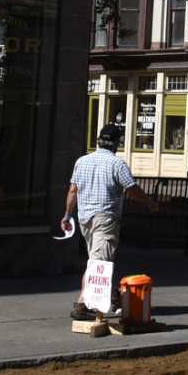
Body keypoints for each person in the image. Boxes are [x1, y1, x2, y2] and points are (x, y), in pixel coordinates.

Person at [64, 123, 158, 322]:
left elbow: (73, 191)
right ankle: (82, 304)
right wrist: (149, 203)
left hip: (85, 219)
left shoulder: (82, 161)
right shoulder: (117, 164)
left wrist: (67, 215)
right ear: (116, 143)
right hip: (105, 218)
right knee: (99, 263)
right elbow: (132, 189)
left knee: (97, 259)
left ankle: (113, 296)